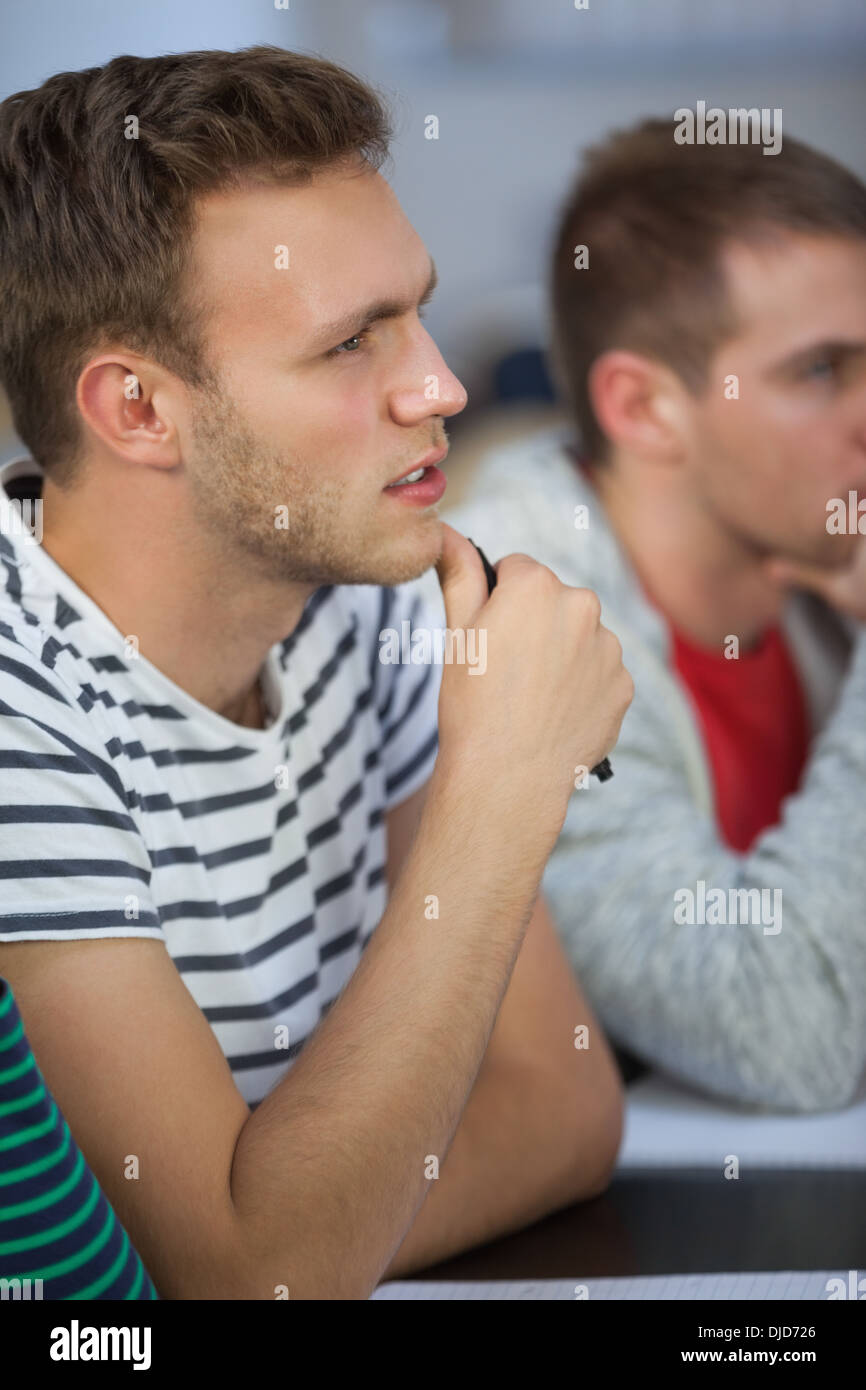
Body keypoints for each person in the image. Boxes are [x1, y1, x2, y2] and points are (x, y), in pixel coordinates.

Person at [0, 47, 632, 1299]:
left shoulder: (362, 597)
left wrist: (317, 1214)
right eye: (352, 344)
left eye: (416, 310)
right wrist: (501, 790)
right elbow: (251, 1278)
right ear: (135, 409)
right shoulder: (19, 715)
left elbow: (563, 1106)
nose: (440, 384)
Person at [442, 117, 866, 1114]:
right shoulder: (496, 617)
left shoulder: (820, 566)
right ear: (640, 408)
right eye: (820, 371)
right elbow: (787, 1032)